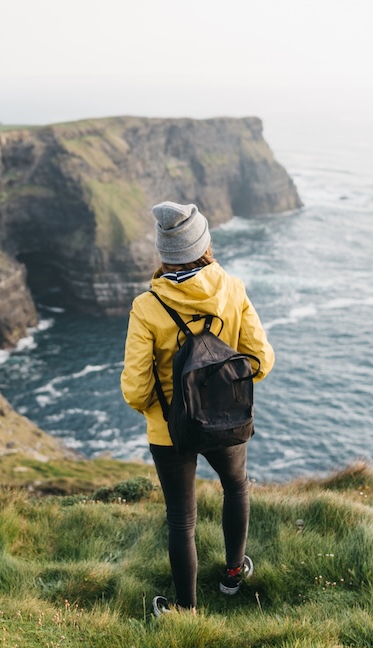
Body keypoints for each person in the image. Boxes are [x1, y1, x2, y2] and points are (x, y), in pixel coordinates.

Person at [121, 201, 275, 617]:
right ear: (204, 243)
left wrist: (166, 410)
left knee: (181, 521)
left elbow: (136, 389)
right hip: (225, 417)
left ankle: (186, 612)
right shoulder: (232, 287)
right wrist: (222, 392)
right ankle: (231, 576)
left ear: (163, 253)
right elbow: (261, 360)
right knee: (237, 485)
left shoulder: (147, 307)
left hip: (170, 429)